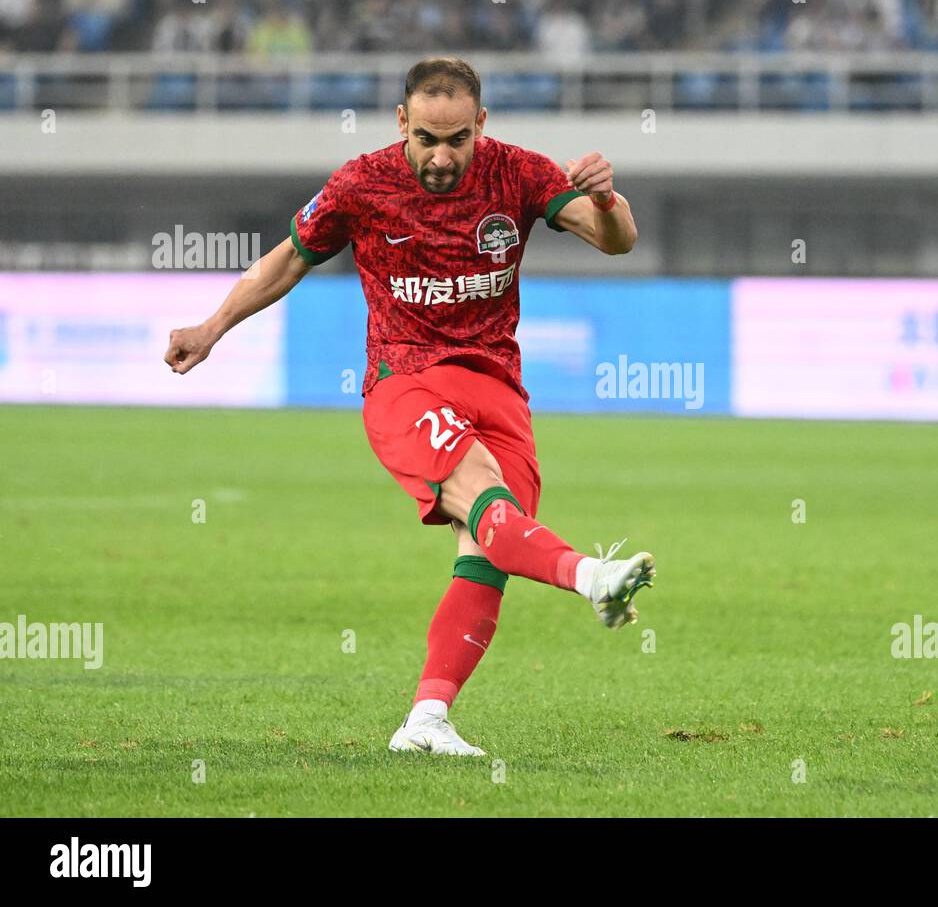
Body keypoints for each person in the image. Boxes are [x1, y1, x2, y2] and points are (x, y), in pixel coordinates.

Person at [163, 57, 656, 756]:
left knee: (489, 548)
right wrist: (211, 328)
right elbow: (287, 260)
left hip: (499, 390)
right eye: (428, 137)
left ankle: (426, 718)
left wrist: (607, 199)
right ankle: (591, 575)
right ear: (402, 123)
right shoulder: (362, 183)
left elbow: (619, 240)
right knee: (485, 495)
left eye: (458, 139)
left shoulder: (518, 173)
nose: (442, 154)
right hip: (405, 382)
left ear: (481, 126)